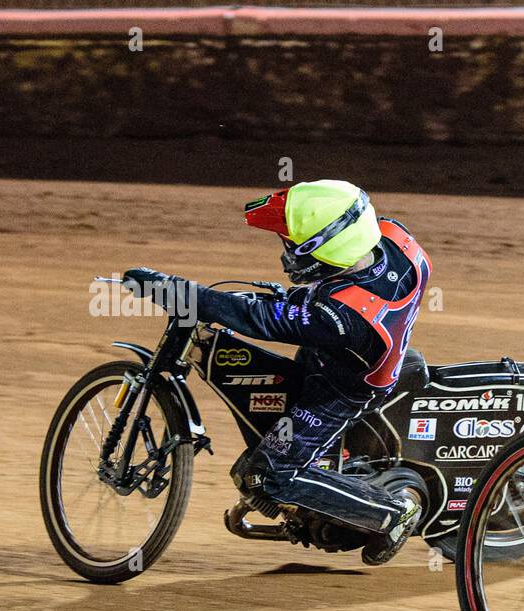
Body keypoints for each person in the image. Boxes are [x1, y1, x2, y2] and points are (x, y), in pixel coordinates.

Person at [123, 179, 430, 565]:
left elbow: (260, 319)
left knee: (268, 476)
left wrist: (176, 291)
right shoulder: (393, 238)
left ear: (327, 247)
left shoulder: (342, 318)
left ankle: (390, 513)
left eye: (292, 243)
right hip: (340, 352)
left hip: (341, 390)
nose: (285, 248)